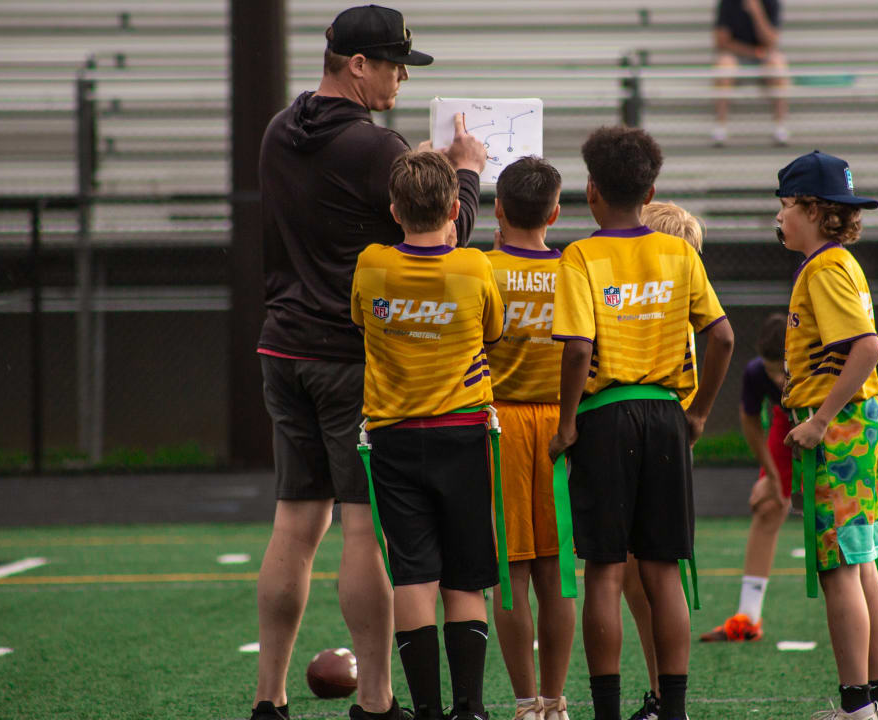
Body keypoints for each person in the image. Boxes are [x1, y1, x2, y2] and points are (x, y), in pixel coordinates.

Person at [250, 5, 486, 720]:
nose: (401, 76)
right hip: (352, 356)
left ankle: (270, 698)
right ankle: (378, 702)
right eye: (393, 63)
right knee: (359, 526)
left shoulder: (277, 131)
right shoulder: (374, 147)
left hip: (282, 344)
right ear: (358, 66)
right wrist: (465, 173)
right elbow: (447, 234)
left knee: (293, 521)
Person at [549, 126, 736, 720]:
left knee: (604, 572)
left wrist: (565, 424)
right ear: (650, 188)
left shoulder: (580, 255)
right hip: (664, 415)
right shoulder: (680, 253)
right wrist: (700, 411)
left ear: (592, 191)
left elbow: (577, 350)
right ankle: (673, 710)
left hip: (604, 417)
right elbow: (723, 337)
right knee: (663, 571)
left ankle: (608, 710)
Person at [351, 151, 504, 720]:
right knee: (465, 576)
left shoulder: (371, 263)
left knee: (413, 572)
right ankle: (471, 710)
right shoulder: (473, 267)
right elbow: (494, 330)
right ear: (453, 209)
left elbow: (360, 320)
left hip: (393, 437)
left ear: (394, 209)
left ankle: (427, 713)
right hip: (462, 431)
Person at [697, 316, 878, 646]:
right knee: (768, 507)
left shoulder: (825, 364)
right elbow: (751, 423)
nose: (777, 378)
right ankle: (747, 617)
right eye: (771, 371)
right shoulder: (757, 374)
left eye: (781, 370)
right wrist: (770, 475)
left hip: (835, 423)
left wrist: (825, 424)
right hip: (789, 428)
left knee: (870, 520)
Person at [775, 150, 878, 720]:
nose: (778, 217)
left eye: (784, 205)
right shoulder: (839, 263)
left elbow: (867, 347)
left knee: (840, 568)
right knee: (865, 561)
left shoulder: (825, 268)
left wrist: (820, 419)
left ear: (814, 210)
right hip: (864, 419)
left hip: (844, 426)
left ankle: (856, 708)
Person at [484, 156, 576, 720]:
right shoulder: (574, 267)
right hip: (563, 427)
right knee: (557, 568)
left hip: (498, 425)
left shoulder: (480, 267)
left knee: (510, 569)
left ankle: (524, 704)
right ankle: (556, 701)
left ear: (497, 210)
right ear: (557, 212)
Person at [617, 201, 706, 720]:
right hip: (657, 440)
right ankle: (661, 693)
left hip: (648, 440)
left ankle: (666, 695)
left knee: (646, 573)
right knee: (637, 577)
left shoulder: (665, 318)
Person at [712, 0, 790, 147]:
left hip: (764, 56)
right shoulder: (728, 3)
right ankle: (720, 126)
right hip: (737, 54)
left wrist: (756, 13)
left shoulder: (771, 3)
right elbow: (721, 41)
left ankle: (780, 126)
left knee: (778, 63)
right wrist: (752, 53)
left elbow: (772, 40)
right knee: (724, 64)